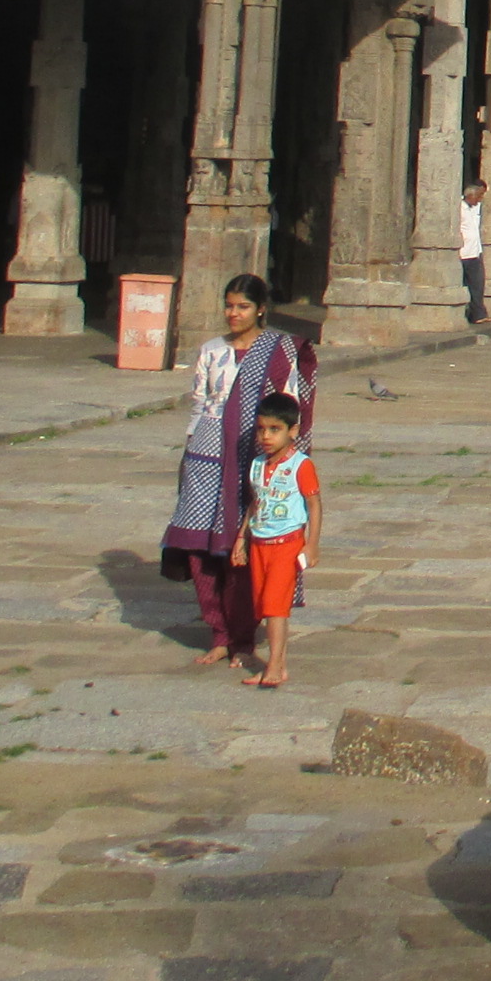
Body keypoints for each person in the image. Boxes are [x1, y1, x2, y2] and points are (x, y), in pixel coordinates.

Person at [157, 274, 315, 668]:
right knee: (201, 546)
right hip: (207, 458)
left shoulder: (278, 350)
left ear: (260, 308)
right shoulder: (212, 350)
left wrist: (284, 457)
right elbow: (199, 404)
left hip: (256, 457)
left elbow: (290, 405)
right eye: (229, 306)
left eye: (242, 306)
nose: (234, 313)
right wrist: (190, 450)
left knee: (245, 548)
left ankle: (243, 637)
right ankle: (219, 633)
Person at [233, 392, 321, 691]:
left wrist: (312, 543)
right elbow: (255, 504)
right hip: (259, 543)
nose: (266, 436)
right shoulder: (257, 465)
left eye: (274, 429)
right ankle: (278, 664)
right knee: (263, 604)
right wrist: (241, 538)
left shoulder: (301, 465)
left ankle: (273, 666)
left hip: (287, 544)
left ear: (292, 430)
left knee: (275, 607)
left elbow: (315, 505)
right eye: (261, 429)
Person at [458, 179, 488, 324]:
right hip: (462, 252)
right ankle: (470, 313)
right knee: (464, 283)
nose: (480, 199)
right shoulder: (459, 206)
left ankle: (478, 314)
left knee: (477, 284)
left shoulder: (476, 207)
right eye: (479, 196)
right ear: (470, 195)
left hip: (475, 251)